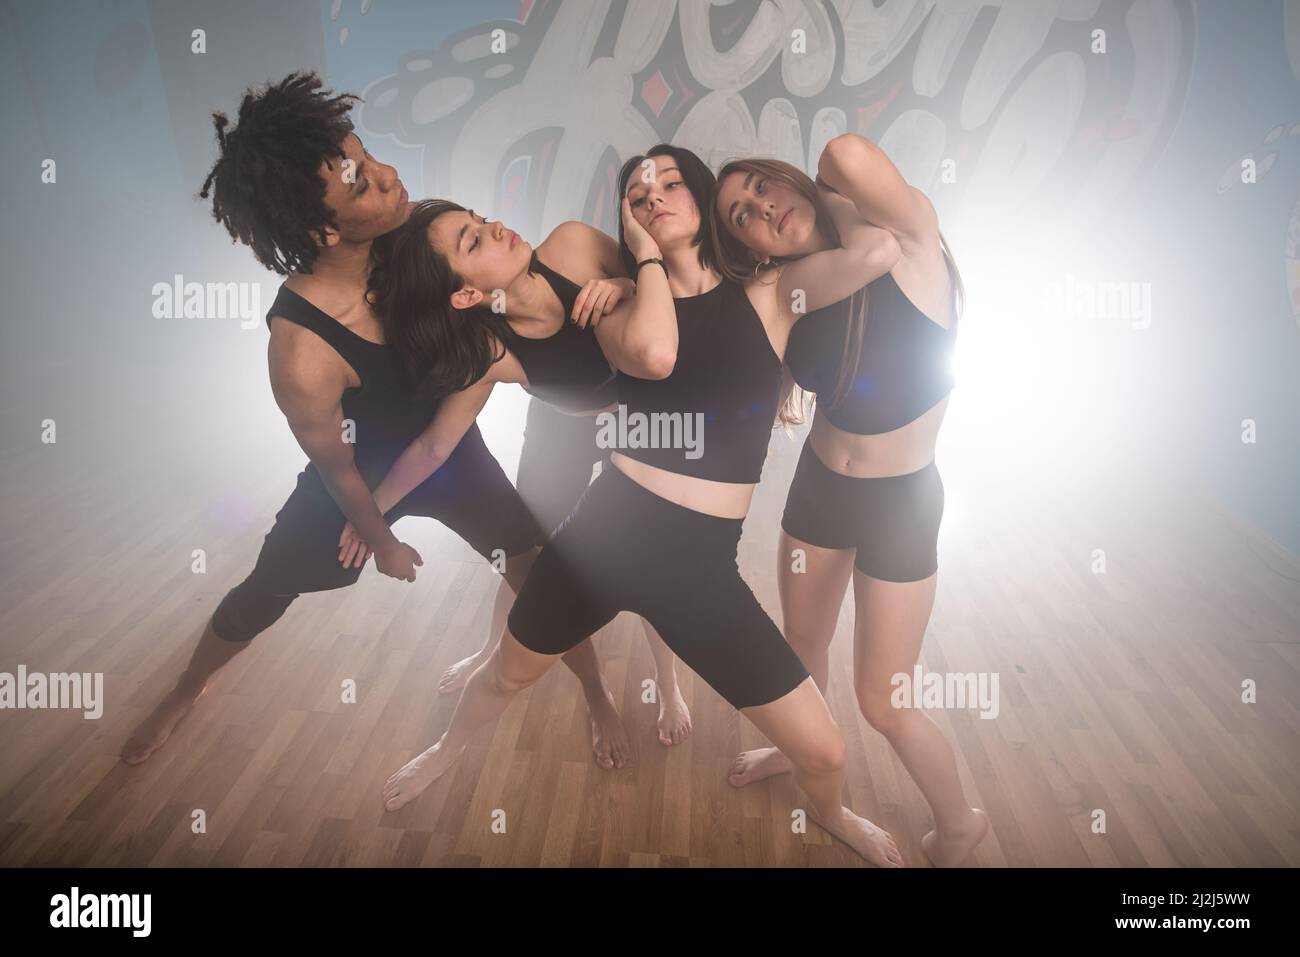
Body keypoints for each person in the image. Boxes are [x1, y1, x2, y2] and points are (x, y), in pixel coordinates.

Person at [379, 144, 907, 867]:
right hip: (606, 533)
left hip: (698, 570)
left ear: (701, 200)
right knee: (505, 673)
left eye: (669, 183)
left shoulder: (775, 293)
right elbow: (656, 354)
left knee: (827, 749)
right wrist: (641, 260)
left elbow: (878, 246)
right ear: (628, 223)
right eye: (636, 194)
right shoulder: (617, 303)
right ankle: (448, 746)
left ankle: (834, 811)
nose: (653, 195)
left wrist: (801, 198)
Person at [122, 72, 564, 764]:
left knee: (539, 566)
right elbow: (334, 463)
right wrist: (377, 535)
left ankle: (599, 699)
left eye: (371, 155)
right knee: (264, 591)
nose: (388, 177)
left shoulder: (409, 237)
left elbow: (508, 276)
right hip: (357, 476)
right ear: (324, 227)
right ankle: (185, 689)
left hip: (447, 447)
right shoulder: (301, 351)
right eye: (361, 184)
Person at [710, 136, 989, 866]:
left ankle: (961, 822)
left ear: (796, 181)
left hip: (901, 503)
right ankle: (799, 750)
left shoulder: (915, 240)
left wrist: (824, 199)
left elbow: (847, 153)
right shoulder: (801, 286)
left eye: (766, 187)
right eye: (743, 215)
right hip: (819, 488)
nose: (762, 207)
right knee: (801, 649)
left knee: (885, 702)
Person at [335, 200, 694, 759]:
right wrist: (370, 511)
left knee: (645, 561)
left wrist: (625, 284)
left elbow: (674, 290)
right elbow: (434, 446)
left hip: (642, 429)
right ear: (466, 295)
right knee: (527, 556)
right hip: (562, 433)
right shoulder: (491, 350)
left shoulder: (573, 245)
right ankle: (517, 660)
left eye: (480, 221)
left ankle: (669, 689)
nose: (496, 227)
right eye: (473, 242)